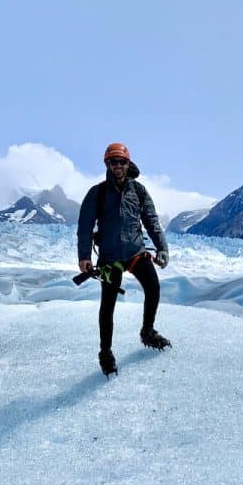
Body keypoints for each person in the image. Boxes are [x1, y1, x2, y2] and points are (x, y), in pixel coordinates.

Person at [77, 143, 171, 375]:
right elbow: (85, 227)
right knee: (107, 307)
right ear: (107, 164)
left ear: (128, 164)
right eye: (113, 162)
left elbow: (151, 221)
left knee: (153, 288)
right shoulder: (97, 193)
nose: (118, 166)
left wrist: (162, 248)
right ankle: (105, 352)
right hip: (109, 259)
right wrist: (84, 256)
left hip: (136, 253)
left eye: (122, 162)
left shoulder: (138, 191)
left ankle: (147, 331)